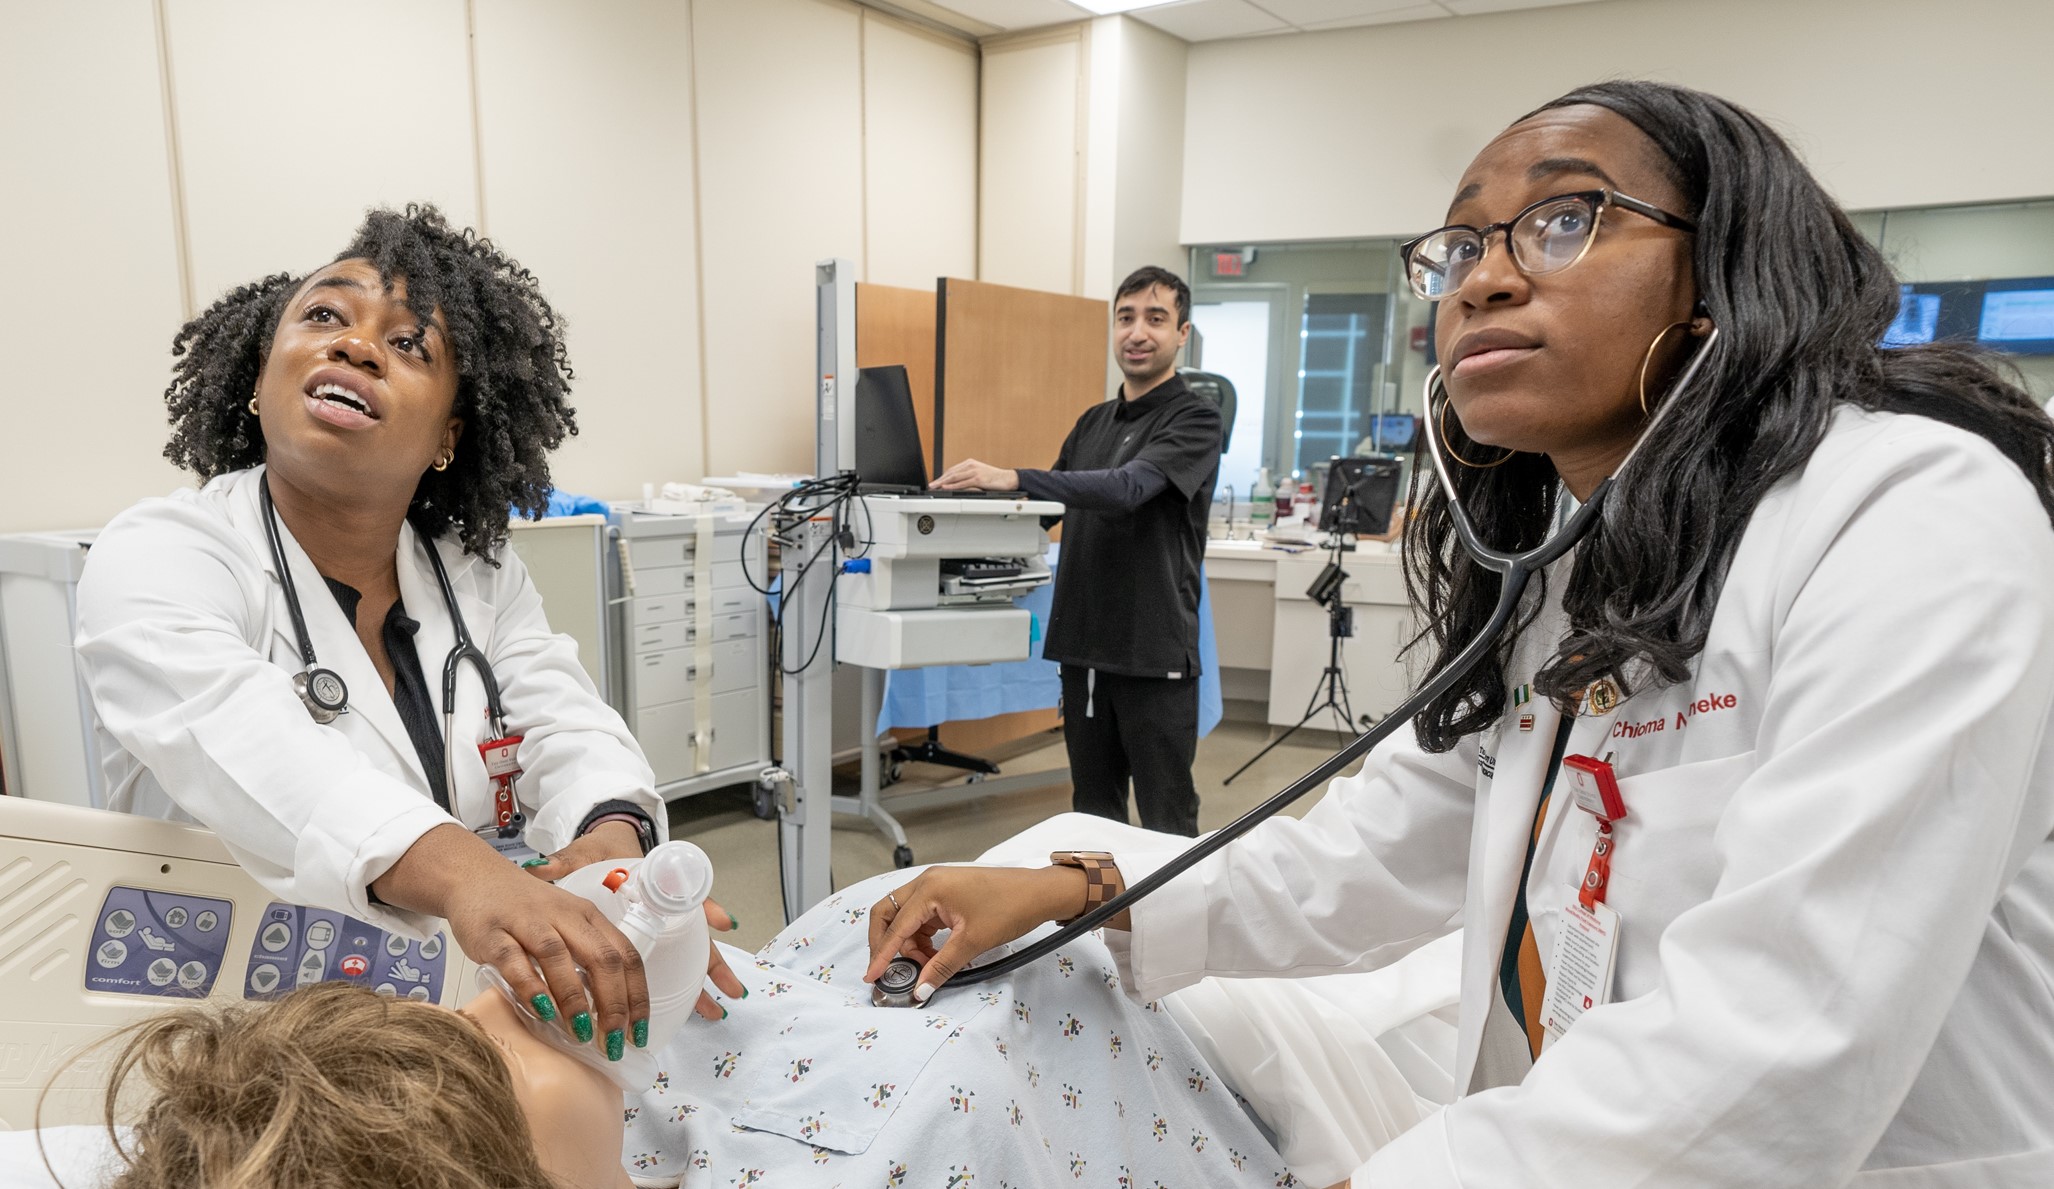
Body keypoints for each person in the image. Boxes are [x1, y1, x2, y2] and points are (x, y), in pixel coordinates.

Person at [870, 79, 2054, 1186]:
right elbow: (1367, 853)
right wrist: (1074, 886)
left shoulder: (1908, 516)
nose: (1480, 281)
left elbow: (1786, 1035)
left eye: (1561, 219)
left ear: (1723, 272)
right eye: (1459, 247)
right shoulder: (1564, 566)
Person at [73, 205, 743, 1072]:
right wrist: (472, 877)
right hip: (225, 1018)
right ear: (258, 373)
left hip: (451, 1006)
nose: (354, 347)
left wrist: (613, 846)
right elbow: (249, 742)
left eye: (410, 345)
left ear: (447, 438)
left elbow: (566, 721)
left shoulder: (478, 577)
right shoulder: (160, 551)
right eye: (324, 315)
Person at [18, 867, 1301, 1189]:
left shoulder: (571, 1083)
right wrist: (1087, 883)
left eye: (472, 1017)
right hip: (1178, 1015)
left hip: (1024, 925)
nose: (510, 1005)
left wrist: (653, 922)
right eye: (510, 1046)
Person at [932, 266, 1223, 836]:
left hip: (1152, 653)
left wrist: (1011, 474)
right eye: (1125, 318)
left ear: (1182, 333)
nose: (1137, 332)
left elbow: (1128, 490)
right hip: (1084, 650)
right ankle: (1101, 926)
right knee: (1092, 817)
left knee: (1166, 819)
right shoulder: (1093, 421)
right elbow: (1044, 512)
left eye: (1155, 319)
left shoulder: (1196, 418)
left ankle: (1179, 925)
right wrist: (941, 527)